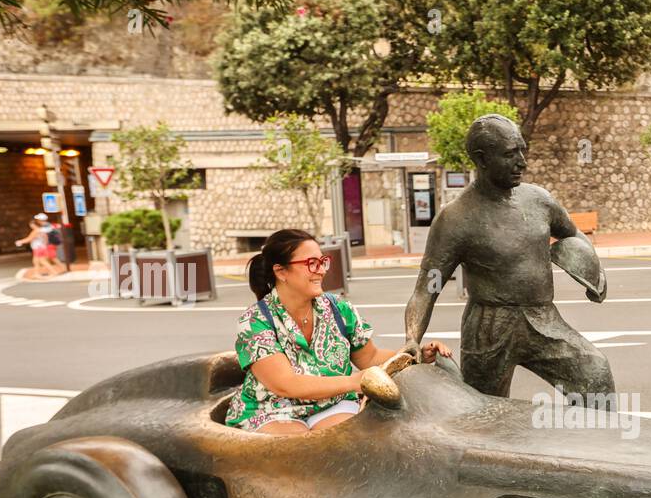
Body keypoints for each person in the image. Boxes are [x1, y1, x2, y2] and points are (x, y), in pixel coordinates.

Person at [402, 114, 614, 399]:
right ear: (482, 159)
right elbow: (427, 289)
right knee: (485, 411)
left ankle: (592, 443)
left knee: (595, 374)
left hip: (543, 318)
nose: (522, 162)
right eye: (510, 154)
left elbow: (573, 234)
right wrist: (412, 338)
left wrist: (591, 272)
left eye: (522, 150)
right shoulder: (455, 219)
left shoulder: (539, 200)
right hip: (489, 326)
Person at [225, 229, 452, 436]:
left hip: (332, 404)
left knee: (352, 440)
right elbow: (286, 384)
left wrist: (416, 355)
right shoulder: (256, 321)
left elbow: (370, 358)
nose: (321, 271)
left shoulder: (338, 309)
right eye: (311, 263)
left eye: (323, 262)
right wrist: (355, 382)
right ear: (281, 271)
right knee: (298, 447)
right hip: (272, 410)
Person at [14, 214, 63, 279]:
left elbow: (29, 239)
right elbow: (46, 238)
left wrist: (19, 242)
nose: (30, 226)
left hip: (38, 248)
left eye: (31, 225)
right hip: (41, 247)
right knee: (36, 261)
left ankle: (53, 271)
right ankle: (36, 273)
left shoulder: (36, 231)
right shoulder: (42, 230)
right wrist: (44, 245)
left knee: (42, 261)